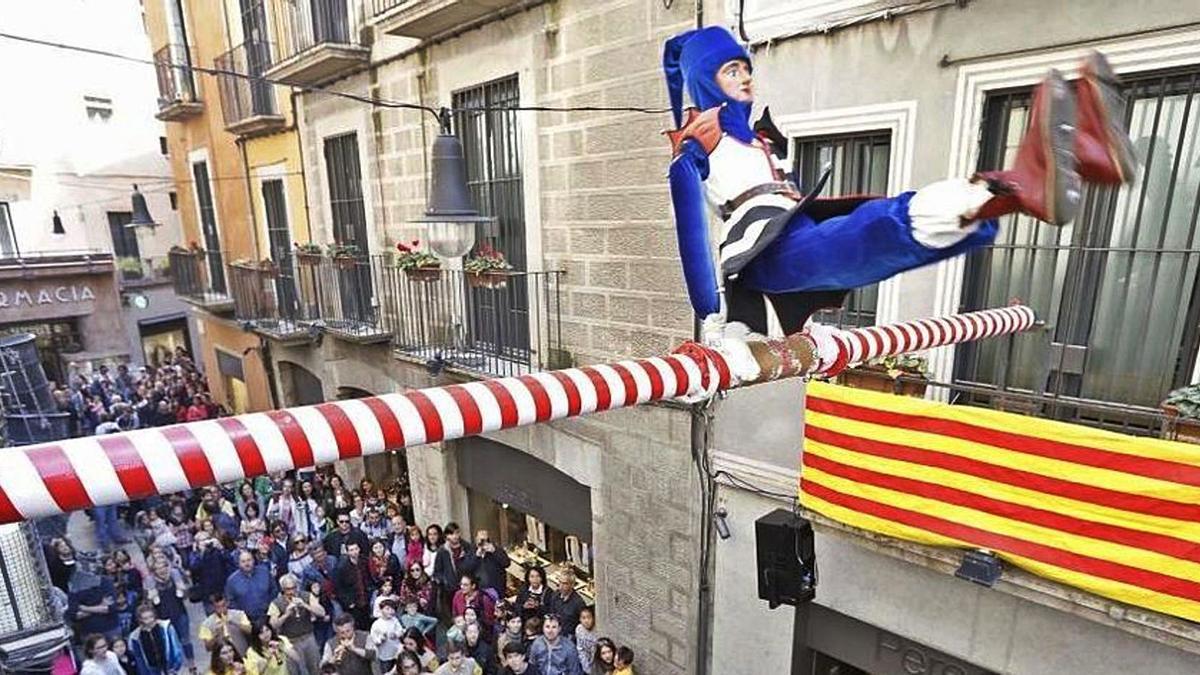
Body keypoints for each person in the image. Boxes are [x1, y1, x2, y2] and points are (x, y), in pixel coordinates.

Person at [662, 27, 1136, 353]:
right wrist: (710, 313)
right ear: (706, 81)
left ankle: (1046, 174)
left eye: (745, 68)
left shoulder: (763, 139)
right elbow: (691, 236)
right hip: (762, 253)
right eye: (731, 71)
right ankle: (1027, 178)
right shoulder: (699, 142)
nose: (746, 77)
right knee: (878, 229)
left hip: (797, 231)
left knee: (890, 230)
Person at [267, 574, 325, 675]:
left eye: (293, 588)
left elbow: (322, 612)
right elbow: (273, 625)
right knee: (294, 670)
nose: (291, 592)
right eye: (288, 589)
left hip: (308, 637)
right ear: (283, 589)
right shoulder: (276, 603)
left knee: (315, 667)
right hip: (291, 641)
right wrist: (286, 614)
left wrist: (305, 605)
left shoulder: (306, 595)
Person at [144, 556, 194, 663]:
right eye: (158, 568)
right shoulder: (151, 582)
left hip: (179, 613)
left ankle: (192, 664)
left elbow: (186, 595)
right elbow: (148, 603)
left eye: (164, 567)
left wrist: (183, 589)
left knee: (185, 640)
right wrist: (151, 597)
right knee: (170, 643)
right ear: (154, 570)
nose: (162, 570)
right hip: (163, 617)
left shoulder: (174, 577)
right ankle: (175, 665)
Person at [127, 604, 185, 675]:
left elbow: (175, 646)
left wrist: (175, 666)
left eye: (151, 617)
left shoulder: (165, 628)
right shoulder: (136, 636)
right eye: (145, 618)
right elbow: (139, 657)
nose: (149, 620)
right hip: (152, 666)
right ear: (140, 619)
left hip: (167, 662)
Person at [225, 550, 276, 622]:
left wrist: (270, 606)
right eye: (243, 561)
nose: (247, 563)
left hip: (268, 615)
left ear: (253, 560)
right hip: (246, 620)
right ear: (239, 563)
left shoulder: (264, 572)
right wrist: (241, 616)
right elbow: (230, 601)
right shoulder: (232, 581)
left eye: (249, 560)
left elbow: (274, 590)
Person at [335, 541, 374, 630]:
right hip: (353, 602)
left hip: (365, 598)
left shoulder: (364, 561)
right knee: (357, 625)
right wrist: (348, 602)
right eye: (351, 550)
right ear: (347, 552)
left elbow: (369, 577)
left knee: (368, 623)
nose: (354, 552)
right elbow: (339, 587)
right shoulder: (342, 567)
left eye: (356, 549)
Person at [544, 571, 584, 637]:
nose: (561, 586)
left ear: (572, 585)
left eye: (565, 583)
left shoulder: (578, 603)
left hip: (568, 635)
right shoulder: (555, 595)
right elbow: (551, 613)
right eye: (560, 582)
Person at [369, 598, 404, 673]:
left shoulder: (395, 620)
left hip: (396, 652)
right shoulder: (376, 624)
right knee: (386, 672)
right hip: (384, 655)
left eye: (392, 609)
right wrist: (380, 640)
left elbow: (401, 631)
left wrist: (396, 634)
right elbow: (373, 639)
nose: (390, 611)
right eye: (387, 609)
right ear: (381, 610)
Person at [473, 531, 510, 601]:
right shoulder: (472, 551)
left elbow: (506, 563)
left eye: (485, 540)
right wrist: (476, 556)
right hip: (478, 591)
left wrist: (494, 552)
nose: (482, 543)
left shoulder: (496, 549)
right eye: (480, 540)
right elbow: (466, 568)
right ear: (476, 540)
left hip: (496, 590)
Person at [574, 607, 596, 674]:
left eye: (589, 617)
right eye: (583, 618)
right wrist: (586, 667)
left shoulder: (597, 629)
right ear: (580, 619)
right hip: (586, 662)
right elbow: (580, 649)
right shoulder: (579, 629)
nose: (586, 621)